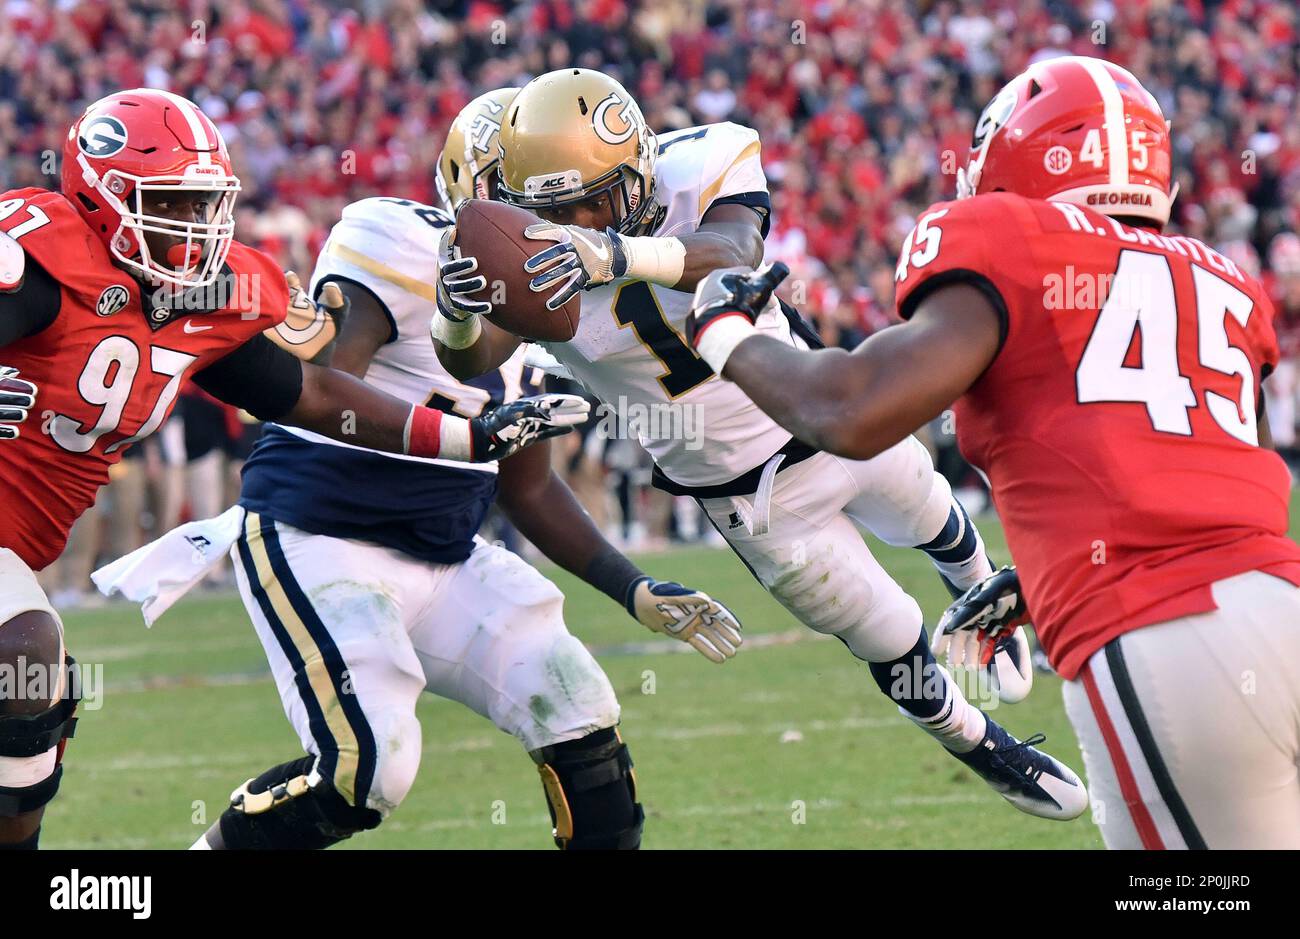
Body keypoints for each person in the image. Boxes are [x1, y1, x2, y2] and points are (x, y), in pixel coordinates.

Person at [433, 68, 1084, 822]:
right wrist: (455, 314)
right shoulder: (537, 268)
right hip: (751, 497)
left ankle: (984, 596)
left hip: (823, 409)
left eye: (598, 197)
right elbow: (475, 357)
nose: (582, 218)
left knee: (934, 513)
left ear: (641, 159)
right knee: (888, 635)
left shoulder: (700, 163)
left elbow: (732, 248)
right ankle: (981, 744)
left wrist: (614, 254)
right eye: (560, 209)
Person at [684, 56, 1300, 848]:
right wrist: (1048, 576)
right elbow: (1204, 484)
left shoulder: (1006, 233)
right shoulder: (1222, 277)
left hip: (1165, 637)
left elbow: (850, 411)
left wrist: (723, 333)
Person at [0, 88, 581, 850]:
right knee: (26, 653)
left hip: (19, 542)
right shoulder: (39, 258)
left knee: (31, 713)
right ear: (99, 198)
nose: (194, 227)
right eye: (171, 205)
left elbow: (310, 392)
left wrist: (469, 438)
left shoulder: (205, 294)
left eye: (206, 203)